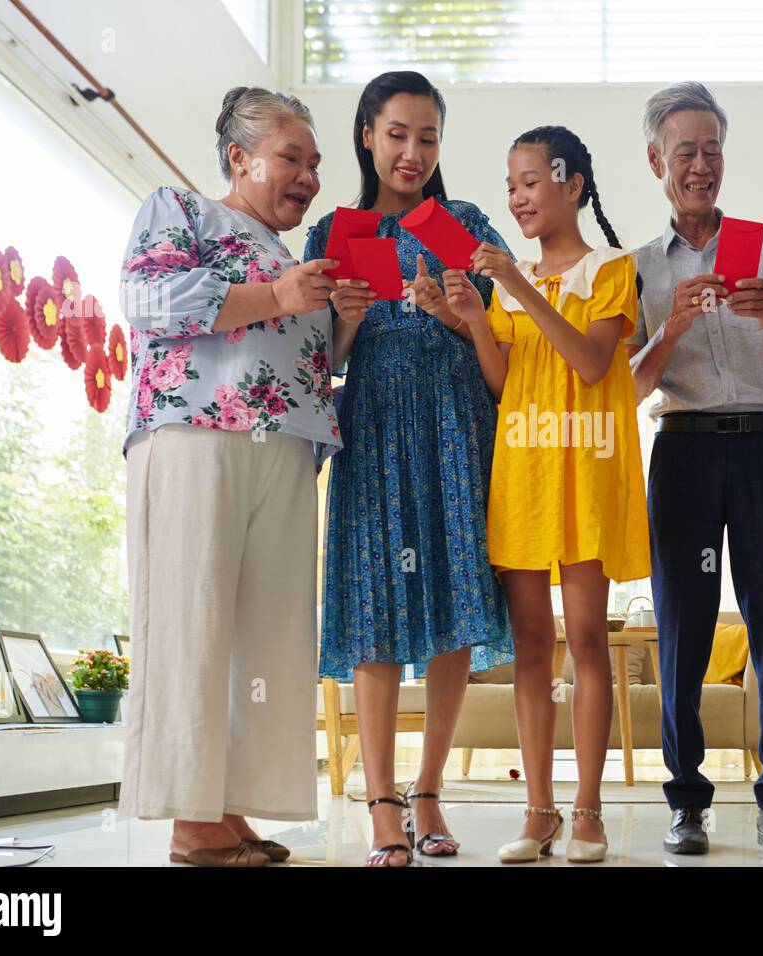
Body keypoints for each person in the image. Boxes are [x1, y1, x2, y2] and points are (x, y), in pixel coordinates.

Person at [118, 86, 348, 866]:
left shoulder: (290, 256)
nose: (309, 176)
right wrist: (283, 295)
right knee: (190, 621)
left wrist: (337, 319)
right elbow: (150, 300)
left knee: (266, 638)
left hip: (284, 448)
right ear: (238, 156)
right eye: (292, 157)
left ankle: (228, 806)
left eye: (315, 163)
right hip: (192, 436)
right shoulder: (179, 210)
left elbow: (300, 357)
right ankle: (190, 822)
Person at [305, 71, 514, 867]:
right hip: (374, 427)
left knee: (459, 598)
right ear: (367, 133)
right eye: (397, 134)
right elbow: (314, 361)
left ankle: (430, 789)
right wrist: (349, 326)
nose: (412, 152)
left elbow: (498, 351)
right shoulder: (335, 229)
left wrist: (456, 317)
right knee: (374, 604)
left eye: (428, 137)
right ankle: (381, 799)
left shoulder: (462, 222)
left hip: (458, 426)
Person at [445, 125, 649, 864]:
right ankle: (540, 811)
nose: (517, 197)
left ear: (572, 184)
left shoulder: (613, 270)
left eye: (529, 181)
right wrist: (470, 317)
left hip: (586, 473)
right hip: (524, 473)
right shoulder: (511, 283)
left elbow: (593, 363)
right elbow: (505, 385)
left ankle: (588, 811)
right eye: (510, 185)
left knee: (587, 641)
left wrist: (517, 286)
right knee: (532, 643)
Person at [627, 82, 763, 856]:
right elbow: (630, 386)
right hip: (687, 448)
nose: (700, 165)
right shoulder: (637, 267)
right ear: (656, 161)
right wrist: (671, 326)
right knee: (684, 626)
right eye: (685, 152)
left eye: (712, 150)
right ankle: (688, 801)